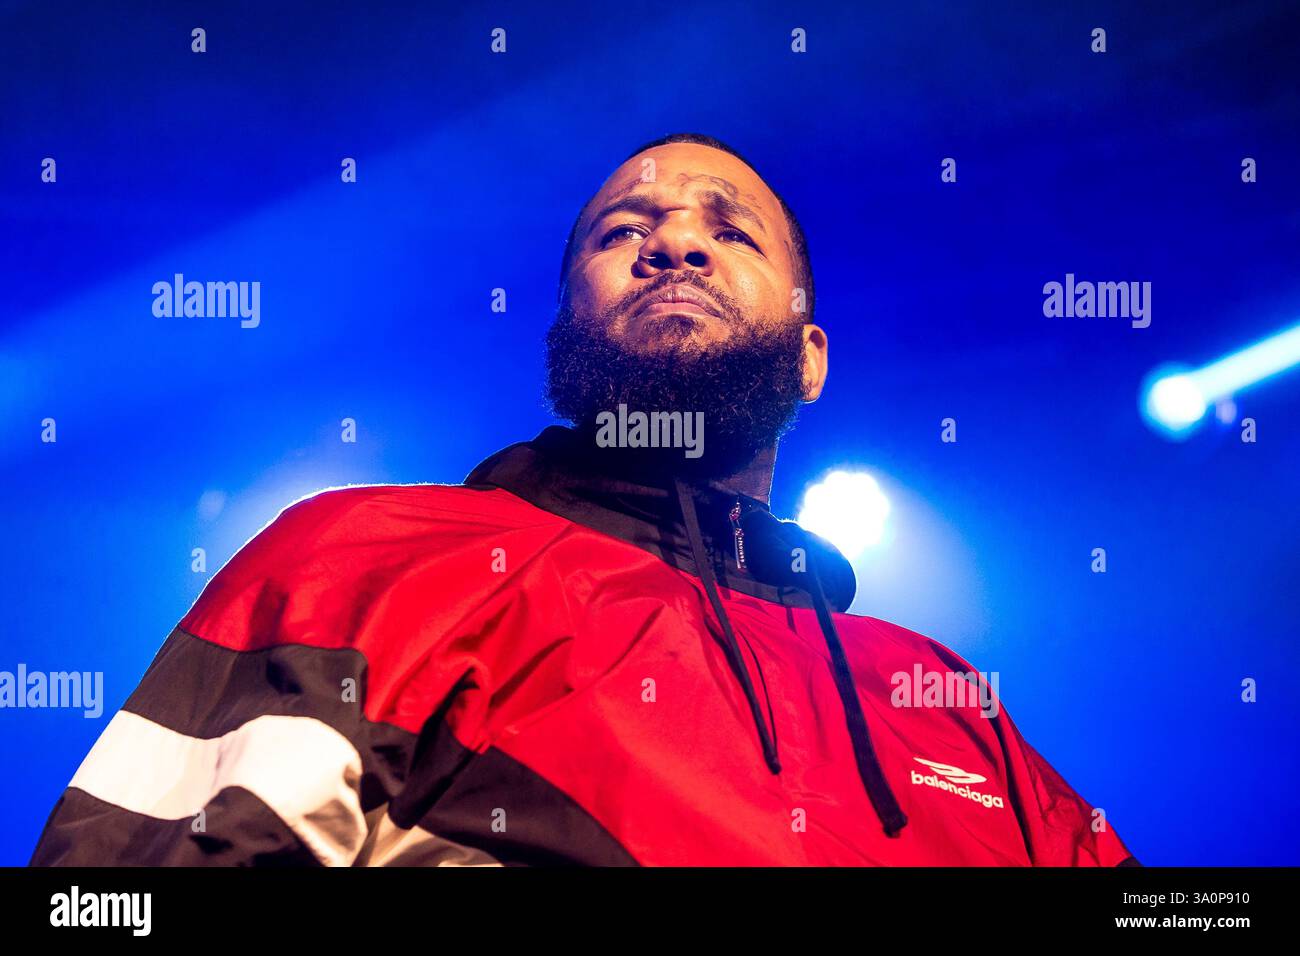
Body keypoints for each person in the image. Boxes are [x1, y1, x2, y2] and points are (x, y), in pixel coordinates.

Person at [30, 133, 1138, 866]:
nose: (673, 242)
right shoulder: (361, 553)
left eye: (730, 228)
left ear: (811, 357)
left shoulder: (945, 696)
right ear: (563, 332)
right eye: (622, 232)